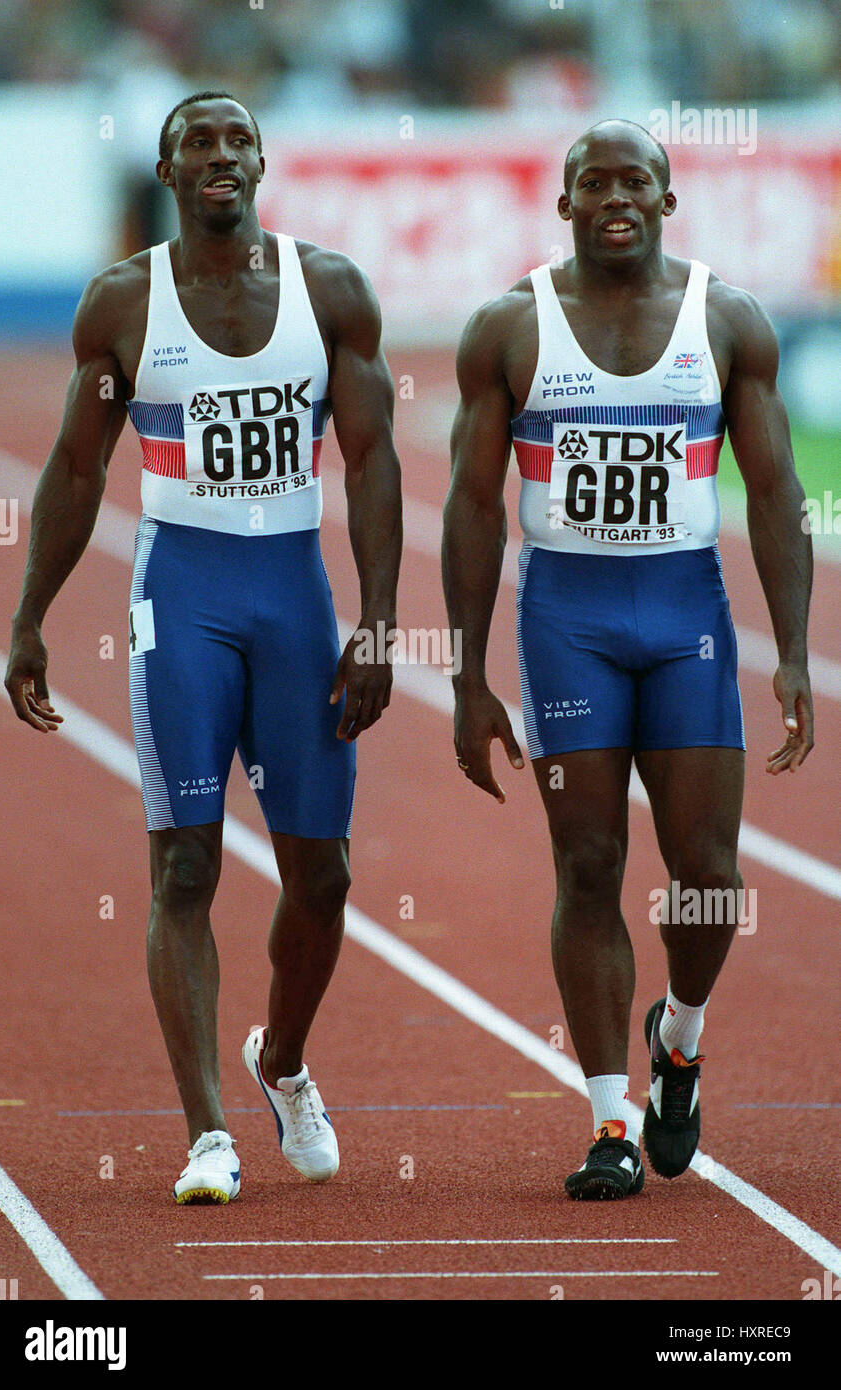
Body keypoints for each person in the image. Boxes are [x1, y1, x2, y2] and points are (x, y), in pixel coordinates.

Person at [5, 91, 402, 1203]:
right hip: (180, 592)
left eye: (236, 140)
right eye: (197, 143)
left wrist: (378, 619)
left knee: (322, 874)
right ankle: (207, 1132)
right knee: (184, 862)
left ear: (262, 161)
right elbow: (78, 467)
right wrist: (31, 615)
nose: (219, 157)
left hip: (293, 595)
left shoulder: (327, 290)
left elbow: (371, 459)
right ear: (170, 170)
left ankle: (279, 1062)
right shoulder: (124, 302)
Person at [442, 120, 813, 1199]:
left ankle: (678, 1041)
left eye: (633, 180)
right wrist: (465, 678)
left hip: (684, 612)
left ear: (666, 198)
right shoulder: (508, 327)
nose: (614, 196)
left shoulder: (726, 319)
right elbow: (470, 505)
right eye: (591, 181)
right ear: (561, 204)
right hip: (568, 618)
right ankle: (608, 1119)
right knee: (589, 863)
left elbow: (777, 492)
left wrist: (789, 651)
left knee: (706, 876)